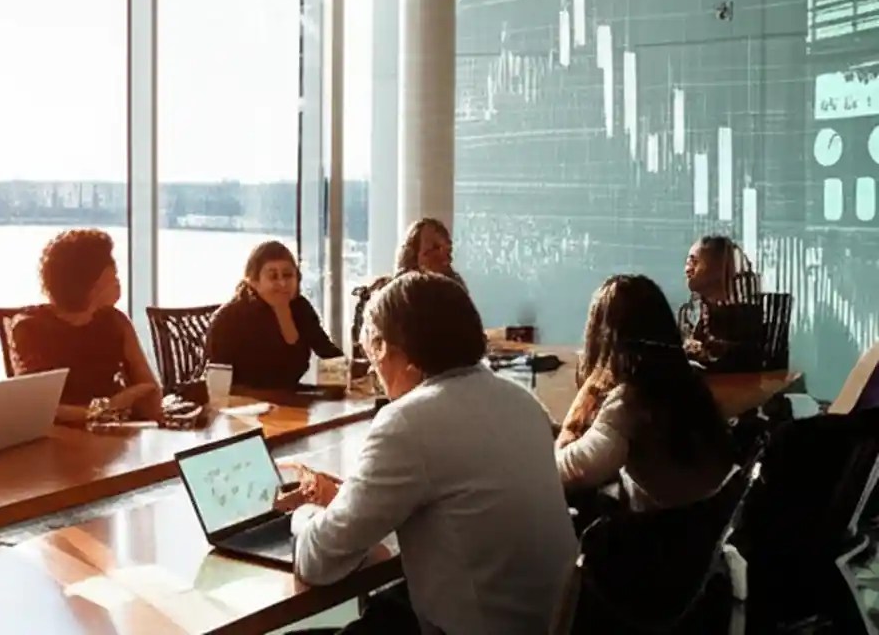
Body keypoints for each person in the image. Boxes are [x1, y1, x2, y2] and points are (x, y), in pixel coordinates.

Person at [281, 272, 577, 634]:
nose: (375, 371)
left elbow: (317, 562)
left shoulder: (407, 422)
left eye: (372, 354)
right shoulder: (521, 401)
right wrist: (351, 499)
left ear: (392, 349)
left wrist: (304, 513)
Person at [557, 275, 736, 512]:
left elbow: (572, 472)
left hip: (668, 534)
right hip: (713, 519)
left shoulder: (629, 402)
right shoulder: (691, 379)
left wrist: (565, 430)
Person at [11, 228, 161, 425]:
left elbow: (151, 393)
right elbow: (36, 406)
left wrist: (127, 402)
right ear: (88, 282)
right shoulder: (30, 327)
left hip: (112, 435)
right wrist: (105, 409)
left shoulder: (115, 321)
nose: (117, 281)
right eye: (111, 274)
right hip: (61, 438)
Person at [205, 241, 343, 391]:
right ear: (253, 281)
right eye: (273, 277)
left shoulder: (300, 308)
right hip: (243, 404)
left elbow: (328, 354)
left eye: (288, 275)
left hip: (292, 398)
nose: (282, 283)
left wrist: (353, 372)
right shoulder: (229, 318)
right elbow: (217, 382)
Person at [350, 218, 467, 359]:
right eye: (434, 250)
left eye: (448, 250)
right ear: (411, 256)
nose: (445, 258)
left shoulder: (455, 293)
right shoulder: (391, 300)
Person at [679, 234, 758, 361]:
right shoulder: (690, 312)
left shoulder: (743, 316)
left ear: (717, 266)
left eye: (694, 262)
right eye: (688, 262)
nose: (687, 269)